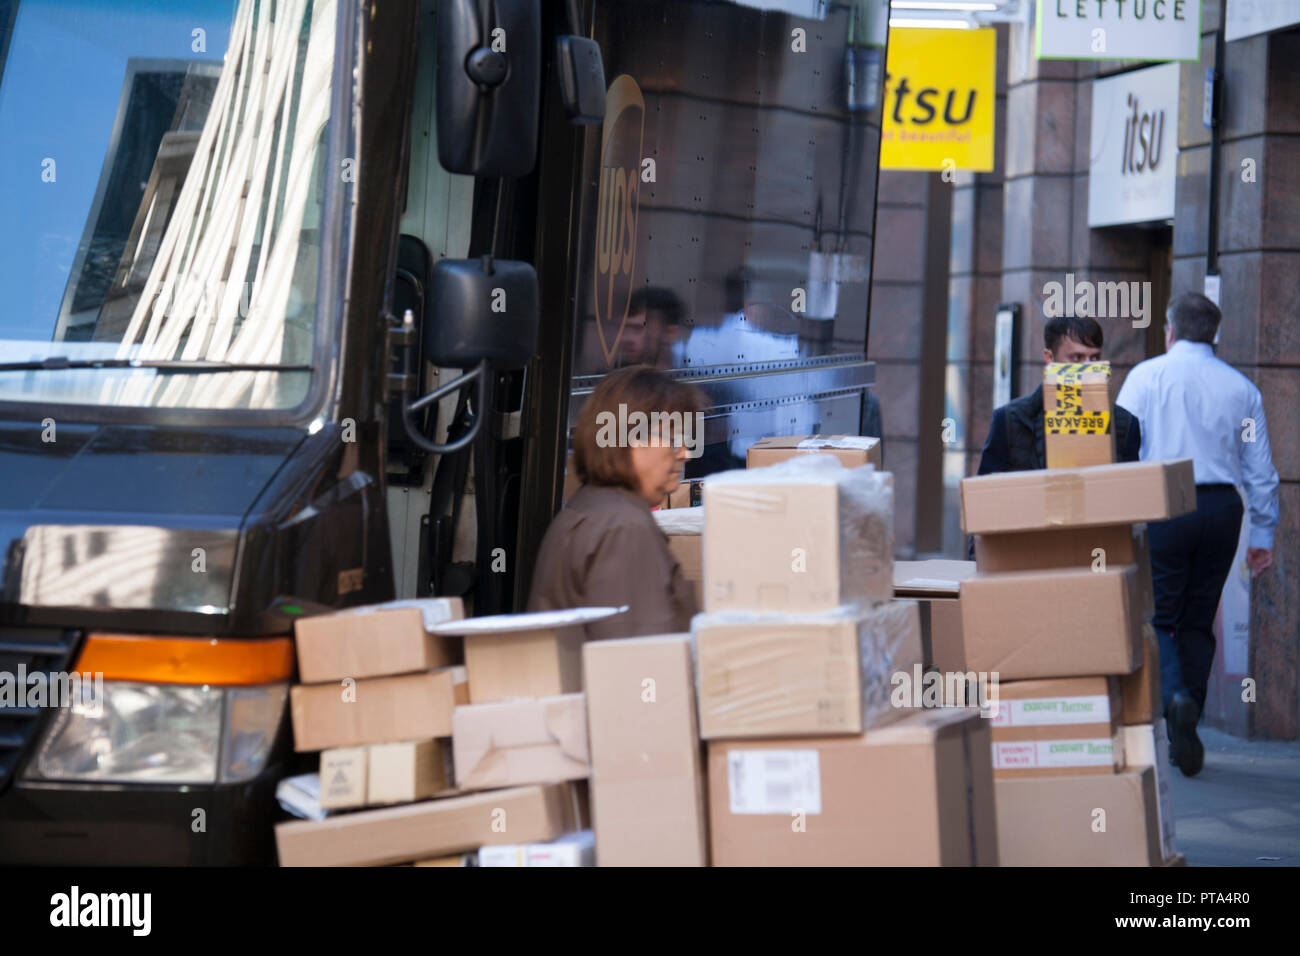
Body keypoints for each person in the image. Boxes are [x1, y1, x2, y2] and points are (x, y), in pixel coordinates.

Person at [1116, 293, 1279, 778]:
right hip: (1222, 509)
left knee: (1161, 615)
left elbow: (1121, 443)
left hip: (1163, 501)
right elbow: (1261, 470)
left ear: (1169, 330)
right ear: (1215, 333)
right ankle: (1191, 719)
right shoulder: (1242, 389)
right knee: (1198, 616)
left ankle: (1175, 699)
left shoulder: (1146, 377)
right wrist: (1263, 534)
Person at [528, 365, 702, 639]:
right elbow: (638, 660)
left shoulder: (593, 508)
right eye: (674, 439)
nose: (685, 454)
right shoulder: (624, 528)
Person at [976, 315, 1141, 476]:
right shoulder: (1009, 421)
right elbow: (987, 493)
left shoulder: (1125, 425)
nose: (1088, 367)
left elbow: (1128, 493)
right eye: (1077, 358)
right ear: (1049, 358)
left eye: (1095, 358)